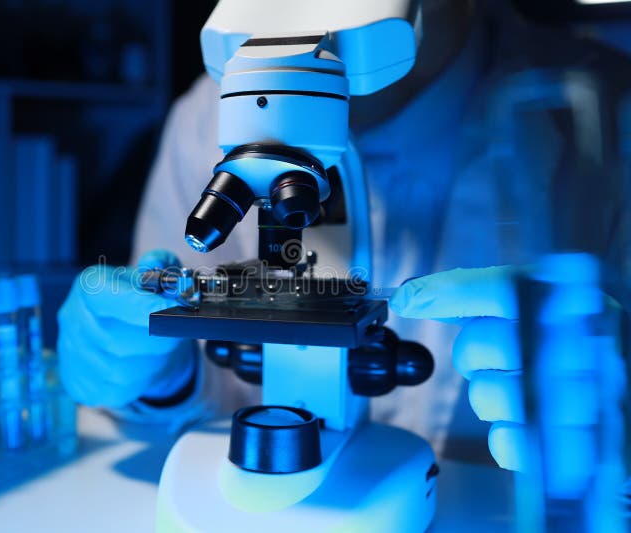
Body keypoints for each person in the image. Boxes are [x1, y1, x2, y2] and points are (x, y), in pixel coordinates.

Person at [57, 0, 631, 470]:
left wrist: (617, 413)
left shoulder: (602, 110)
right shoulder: (212, 112)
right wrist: (155, 372)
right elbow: (200, 383)